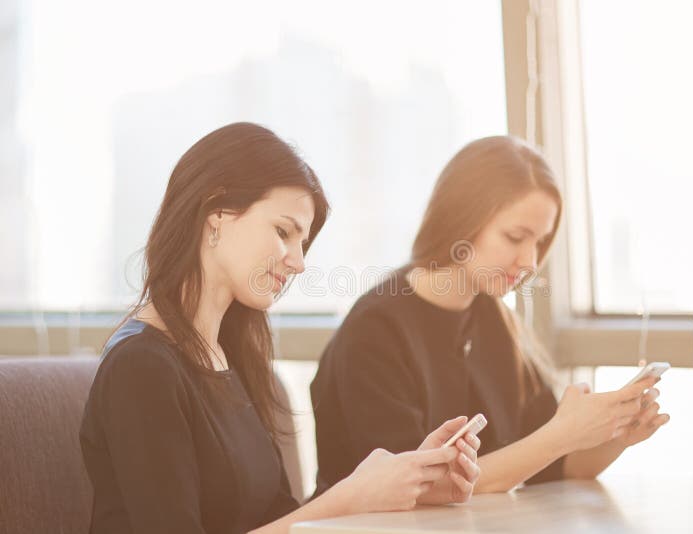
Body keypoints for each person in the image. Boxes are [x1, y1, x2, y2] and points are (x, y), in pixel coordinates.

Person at [79, 122, 481, 534]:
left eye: (302, 242)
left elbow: (278, 519)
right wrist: (353, 496)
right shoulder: (142, 368)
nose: (299, 261)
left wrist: (407, 485)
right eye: (283, 232)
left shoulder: (228, 356)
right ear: (216, 214)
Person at [311, 136, 667, 494]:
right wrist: (561, 436)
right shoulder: (375, 332)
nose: (530, 261)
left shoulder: (495, 319)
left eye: (540, 242)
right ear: (460, 222)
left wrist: (616, 435)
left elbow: (552, 467)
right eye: (515, 237)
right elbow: (420, 490)